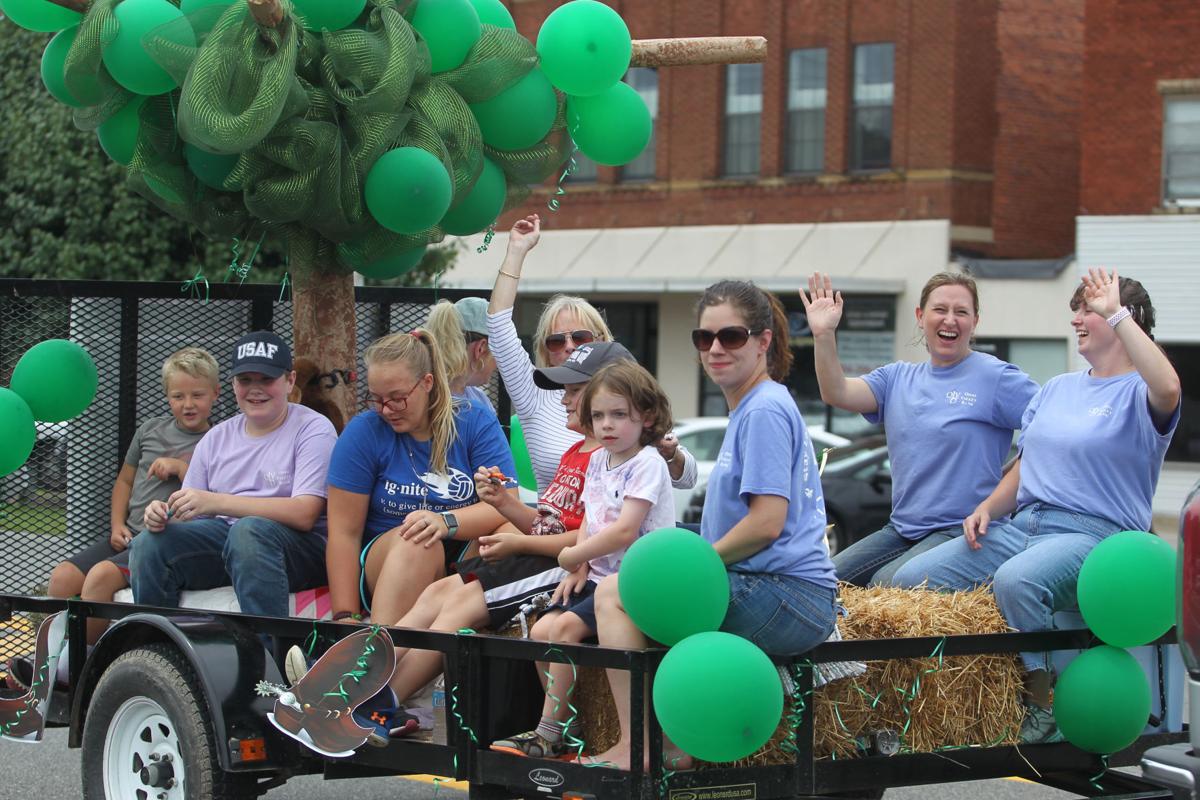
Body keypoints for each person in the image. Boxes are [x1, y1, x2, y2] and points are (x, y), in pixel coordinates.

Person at [891, 269, 1180, 744]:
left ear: (1127, 319)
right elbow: (1026, 467)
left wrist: (1120, 313)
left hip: (1094, 535)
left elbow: (1168, 387)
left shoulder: (1141, 392)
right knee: (909, 580)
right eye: (1078, 310)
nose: (1077, 320)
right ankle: (953, 700)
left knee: (1017, 581)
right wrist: (988, 507)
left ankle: (1041, 702)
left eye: (1089, 310)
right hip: (1024, 524)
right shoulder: (1058, 388)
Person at [323, 341, 636, 742]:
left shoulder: (608, 459)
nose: (563, 401)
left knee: (457, 608)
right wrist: (506, 503)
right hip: (545, 555)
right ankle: (353, 679)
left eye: (574, 392)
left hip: (561, 565)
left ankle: (381, 703)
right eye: (377, 399)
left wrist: (519, 542)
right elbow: (547, 522)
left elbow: (588, 538)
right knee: (437, 595)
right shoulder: (579, 452)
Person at [588, 280, 838, 771]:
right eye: (704, 338)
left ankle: (637, 745)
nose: (716, 349)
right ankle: (678, 744)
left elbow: (767, 524)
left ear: (764, 342)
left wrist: (693, 566)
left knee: (615, 594)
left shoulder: (763, 409)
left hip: (787, 594)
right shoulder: (754, 406)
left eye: (732, 337)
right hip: (781, 590)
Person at [490, 357, 676, 760]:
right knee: (541, 631)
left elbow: (626, 529)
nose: (607, 424)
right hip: (601, 574)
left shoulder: (647, 463)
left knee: (567, 629)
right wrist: (581, 565)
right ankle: (572, 727)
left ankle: (547, 732)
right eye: (598, 415)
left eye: (619, 414)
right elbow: (593, 517)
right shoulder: (597, 460)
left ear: (646, 416)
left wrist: (572, 552)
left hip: (635, 580)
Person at [799, 271, 1038, 585]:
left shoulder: (996, 378)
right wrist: (823, 335)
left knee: (886, 586)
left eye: (961, 312)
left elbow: (1050, 431)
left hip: (961, 531)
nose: (949, 320)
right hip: (902, 530)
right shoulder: (896, 378)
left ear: (975, 321)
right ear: (920, 315)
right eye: (940, 309)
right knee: (822, 582)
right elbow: (837, 392)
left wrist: (1010, 477)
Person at [7, 347, 220, 689]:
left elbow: (218, 490)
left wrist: (182, 468)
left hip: (164, 542)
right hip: (127, 534)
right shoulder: (150, 430)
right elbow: (124, 481)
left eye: (197, 395)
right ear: (167, 397)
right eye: (178, 396)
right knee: (62, 577)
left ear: (215, 394)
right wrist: (117, 524)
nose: (188, 404)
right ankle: (49, 659)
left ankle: (77, 671)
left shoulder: (218, 440)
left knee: (100, 578)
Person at [129, 332, 337, 621]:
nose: (255, 389)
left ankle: (267, 659)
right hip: (232, 544)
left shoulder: (313, 428)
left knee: (248, 532)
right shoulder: (216, 438)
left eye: (266, 379)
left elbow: (305, 514)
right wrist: (162, 514)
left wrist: (217, 502)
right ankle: (161, 651)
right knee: (149, 544)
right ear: (233, 385)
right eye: (245, 380)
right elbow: (190, 515)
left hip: (301, 550)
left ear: (290, 381)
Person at [489, 213, 697, 495]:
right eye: (555, 341)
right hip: (555, 532)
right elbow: (499, 329)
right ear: (545, 352)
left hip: (617, 531)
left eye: (581, 337)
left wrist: (670, 453)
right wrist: (516, 250)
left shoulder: (625, 393)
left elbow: (686, 479)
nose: (570, 347)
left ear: (601, 341)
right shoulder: (536, 392)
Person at [324, 330, 518, 630]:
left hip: (462, 551)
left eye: (397, 399)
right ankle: (371, 655)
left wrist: (444, 522)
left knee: (511, 531)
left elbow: (507, 503)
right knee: (418, 539)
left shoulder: (474, 420)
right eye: (376, 399)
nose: (386, 410)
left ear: (427, 383)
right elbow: (343, 534)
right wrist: (344, 614)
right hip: (392, 556)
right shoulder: (364, 432)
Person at [424, 296, 496, 412]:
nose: (498, 363)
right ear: (480, 349)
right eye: (498, 352)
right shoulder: (479, 403)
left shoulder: (422, 394)